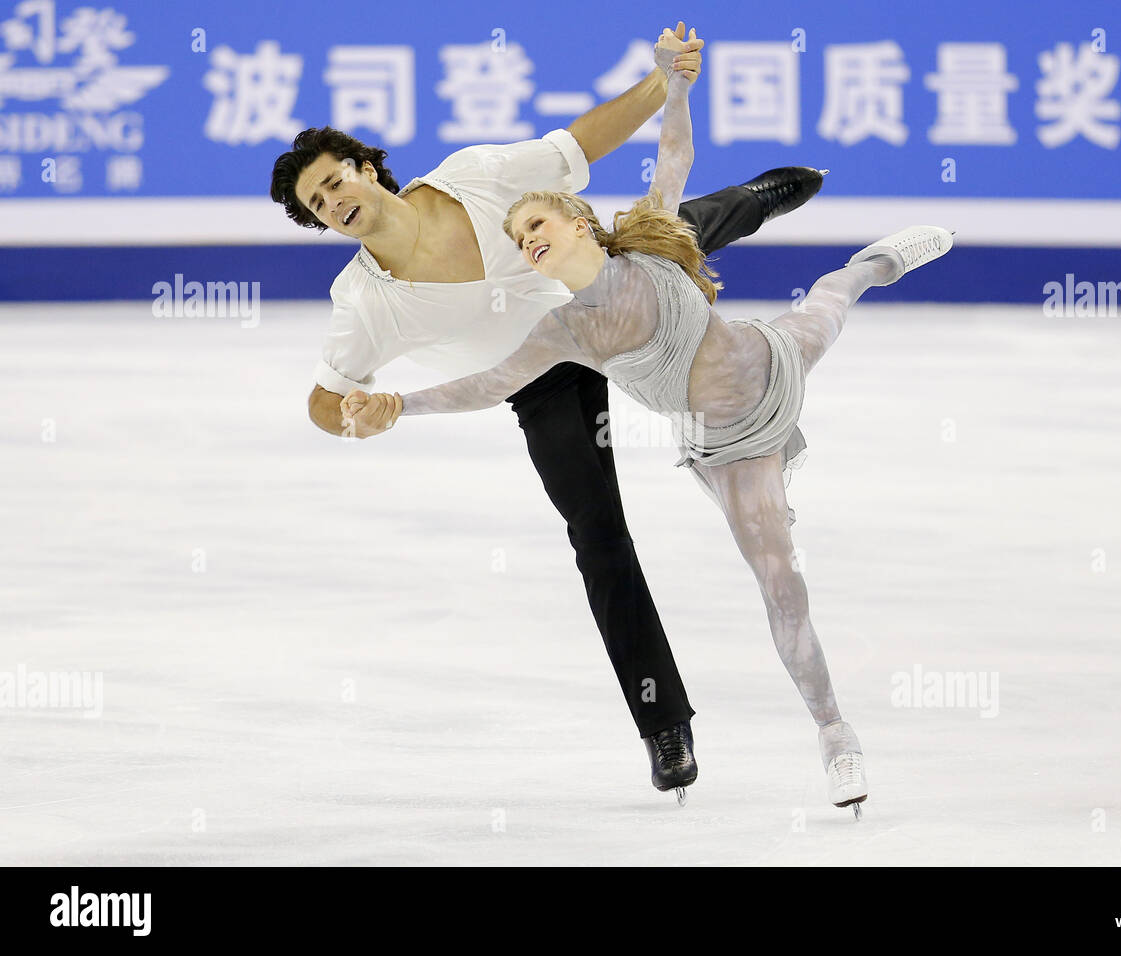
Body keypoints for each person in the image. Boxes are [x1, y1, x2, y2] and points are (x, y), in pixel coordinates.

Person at [343, 30, 954, 812]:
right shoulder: (564, 334)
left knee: (838, 293)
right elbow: (486, 384)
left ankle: (885, 256)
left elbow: (674, 150)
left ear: (575, 221)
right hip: (734, 449)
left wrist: (676, 84)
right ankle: (837, 736)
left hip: (774, 361)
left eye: (539, 226)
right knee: (781, 583)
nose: (529, 240)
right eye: (520, 237)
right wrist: (399, 405)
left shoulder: (650, 243)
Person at [269, 23, 828, 799]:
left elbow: (581, 143)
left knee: (668, 236)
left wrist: (663, 81)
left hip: (594, 291)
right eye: (317, 204)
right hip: (541, 376)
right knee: (596, 532)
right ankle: (664, 723)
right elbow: (324, 402)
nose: (334, 202)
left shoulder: (473, 175)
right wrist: (357, 417)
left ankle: (750, 200)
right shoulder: (361, 304)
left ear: (366, 169)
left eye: (336, 181)